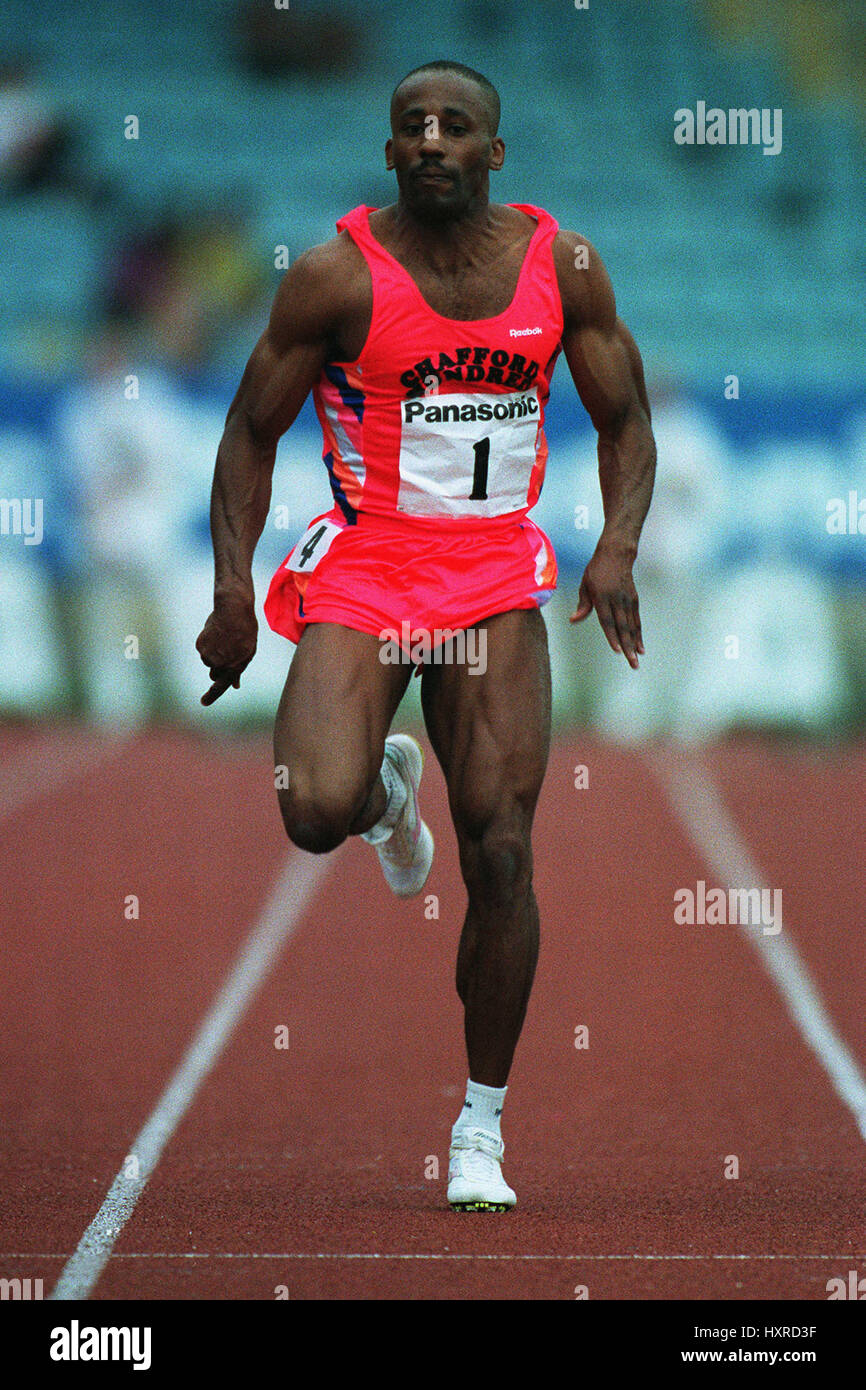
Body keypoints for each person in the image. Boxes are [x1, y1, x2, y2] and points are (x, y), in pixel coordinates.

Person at [196, 60, 656, 1211]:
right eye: (414, 127)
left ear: (496, 153)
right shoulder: (335, 275)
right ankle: (382, 800)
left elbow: (625, 416)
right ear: (389, 150)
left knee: (500, 851)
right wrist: (230, 591)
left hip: (494, 569)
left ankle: (479, 1127)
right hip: (369, 563)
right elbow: (249, 435)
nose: (435, 140)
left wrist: (613, 551)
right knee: (312, 811)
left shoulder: (564, 267)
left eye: (457, 127)